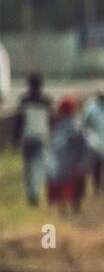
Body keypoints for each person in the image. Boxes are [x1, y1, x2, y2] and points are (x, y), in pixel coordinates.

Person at [45, 97, 90, 214]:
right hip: (70, 163)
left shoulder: (61, 126)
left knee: (68, 187)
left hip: (64, 163)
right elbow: (84, 145)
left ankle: (66, 209)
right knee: (74, 188)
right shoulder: (74, 125)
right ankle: (70, 209)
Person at [13, 74, 52, 206]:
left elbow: (19, 121)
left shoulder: (24, 100)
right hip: (41, 137)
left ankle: (31, 194)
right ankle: (35, 193)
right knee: (37, 166)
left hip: (27, 137)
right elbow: (51, 121)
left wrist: (16, 138)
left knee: (28, 168)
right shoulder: (47, 101)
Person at [83, 90, 104, 194]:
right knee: (96, 166)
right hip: (96, 141)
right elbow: (86, 123)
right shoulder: (91, 109)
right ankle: (97, 187)